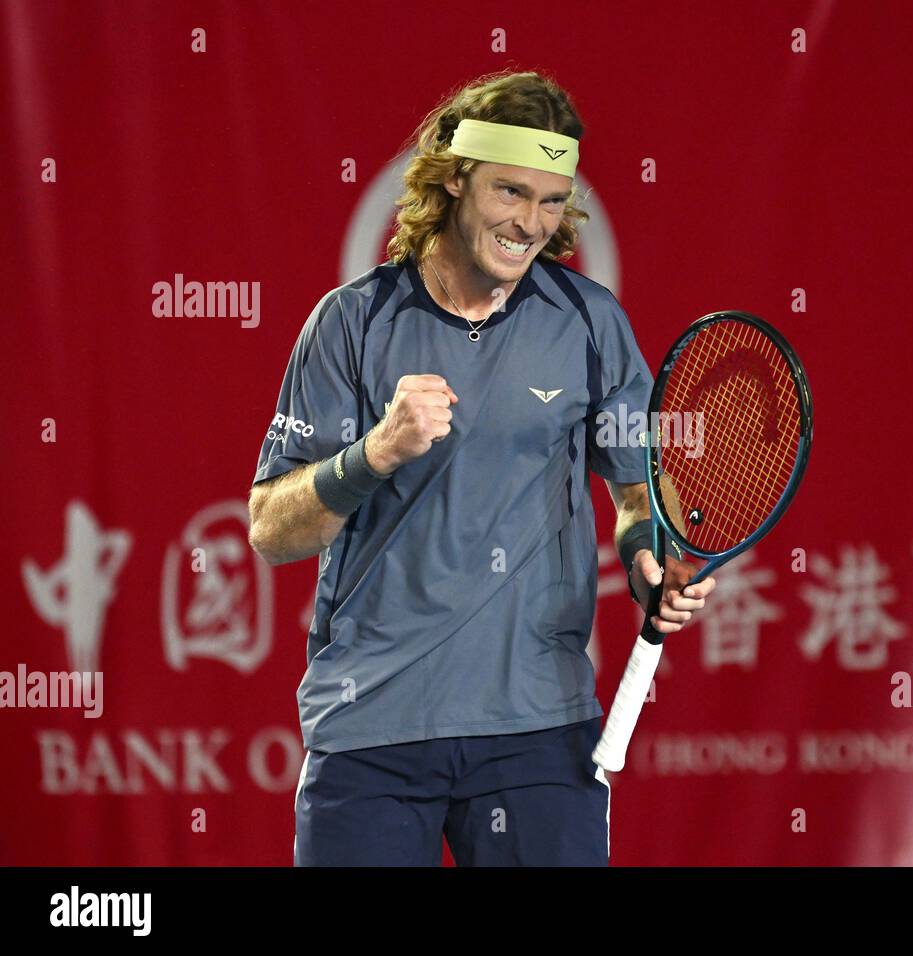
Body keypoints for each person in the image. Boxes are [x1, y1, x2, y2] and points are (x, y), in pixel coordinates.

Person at [247, 70, 715, 866]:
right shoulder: (349, 323)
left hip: (537, 731)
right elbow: (270, 531)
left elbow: (639, 494)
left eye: (550, 199)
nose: (530, 222)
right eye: (510, 192)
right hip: (371, 728)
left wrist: (648, 561)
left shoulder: (590, 322)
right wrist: (373, 455)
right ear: (456, 177)